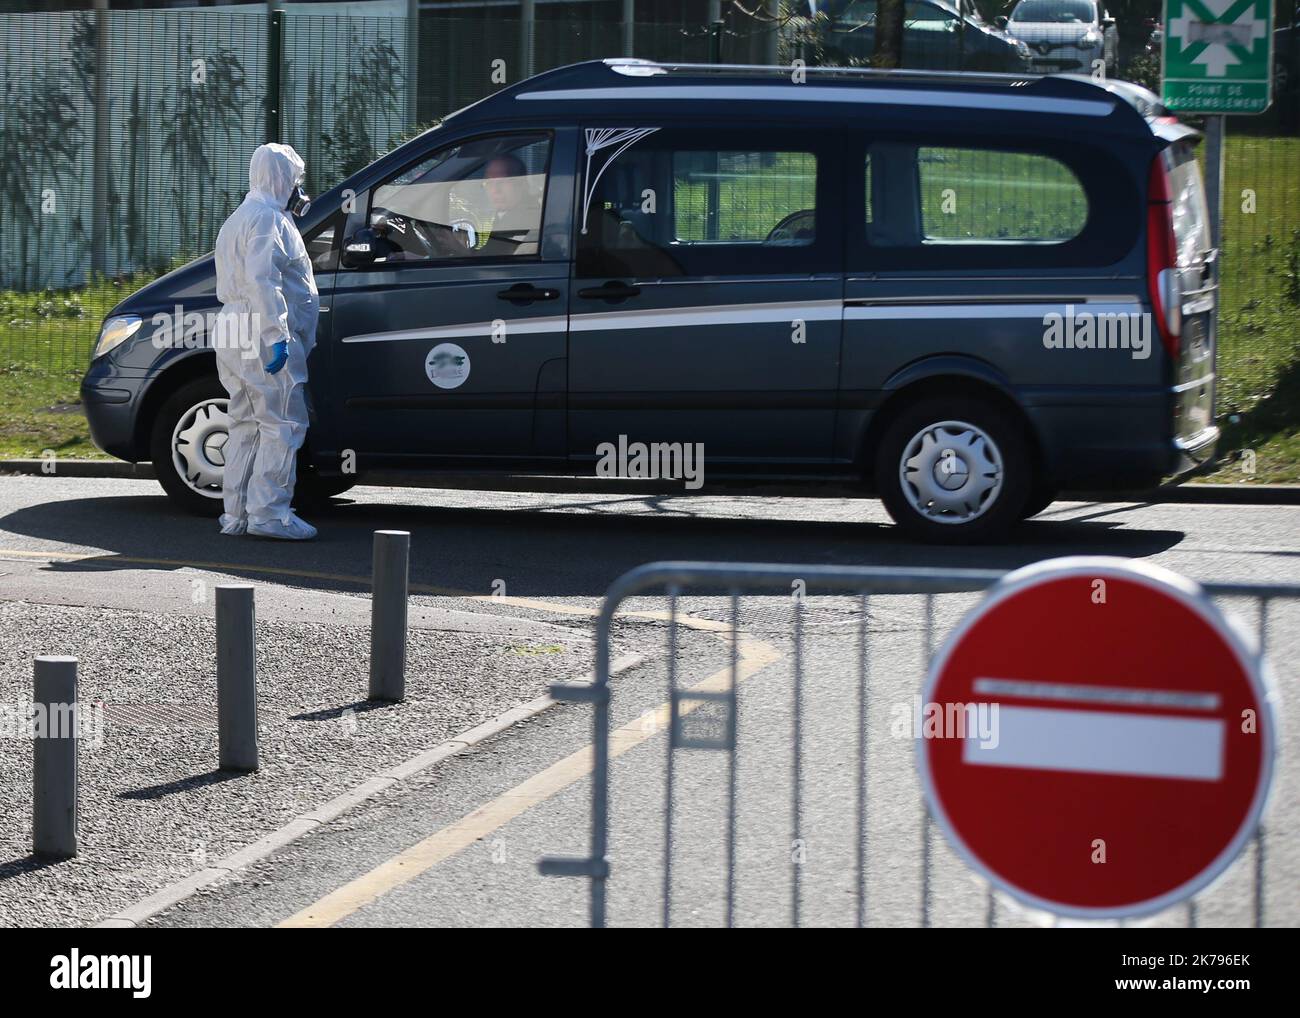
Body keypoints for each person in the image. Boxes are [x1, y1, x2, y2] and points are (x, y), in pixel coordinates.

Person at [212, 143, 319, 541]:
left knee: (245, 422)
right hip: (260, 331)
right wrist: (278, 337)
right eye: (295, 180)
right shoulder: (268, 221)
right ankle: (271, 514)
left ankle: (236, 514)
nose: (298, 188)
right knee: (282, 423)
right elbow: (263, 281)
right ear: (281, 178)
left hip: (234, 329)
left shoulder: (239, 218)